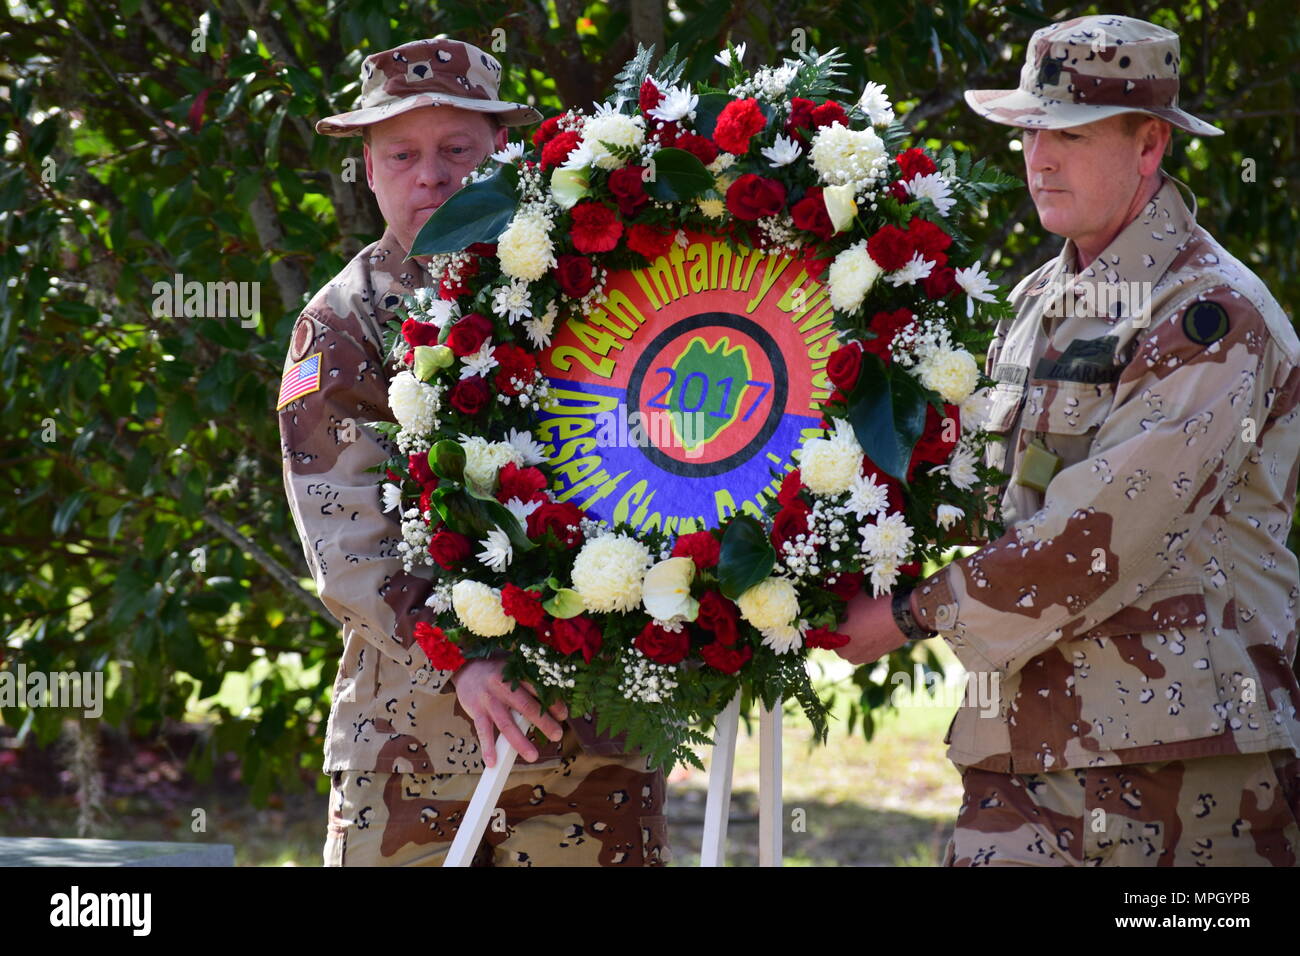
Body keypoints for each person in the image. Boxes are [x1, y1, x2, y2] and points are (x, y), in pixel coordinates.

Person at [835, 14, 1300, 866]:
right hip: (1025, 756)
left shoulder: (1210, 315)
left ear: (1149, 144)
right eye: (1029, 130)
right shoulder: (1040, 299)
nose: (1040, 157)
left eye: (1072, 133)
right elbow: (994, 498)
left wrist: (904, 616)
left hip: (1177, 780)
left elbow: (1101, 531)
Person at [277, 38, 669, 866]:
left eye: (459, 151)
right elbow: (345, 536)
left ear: (500, 155)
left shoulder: (593, 289)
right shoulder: (343, 321)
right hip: (412, 753)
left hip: (592, 747)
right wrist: (462, 659)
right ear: (370, 170)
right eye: (403, 155)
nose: (432, 176)